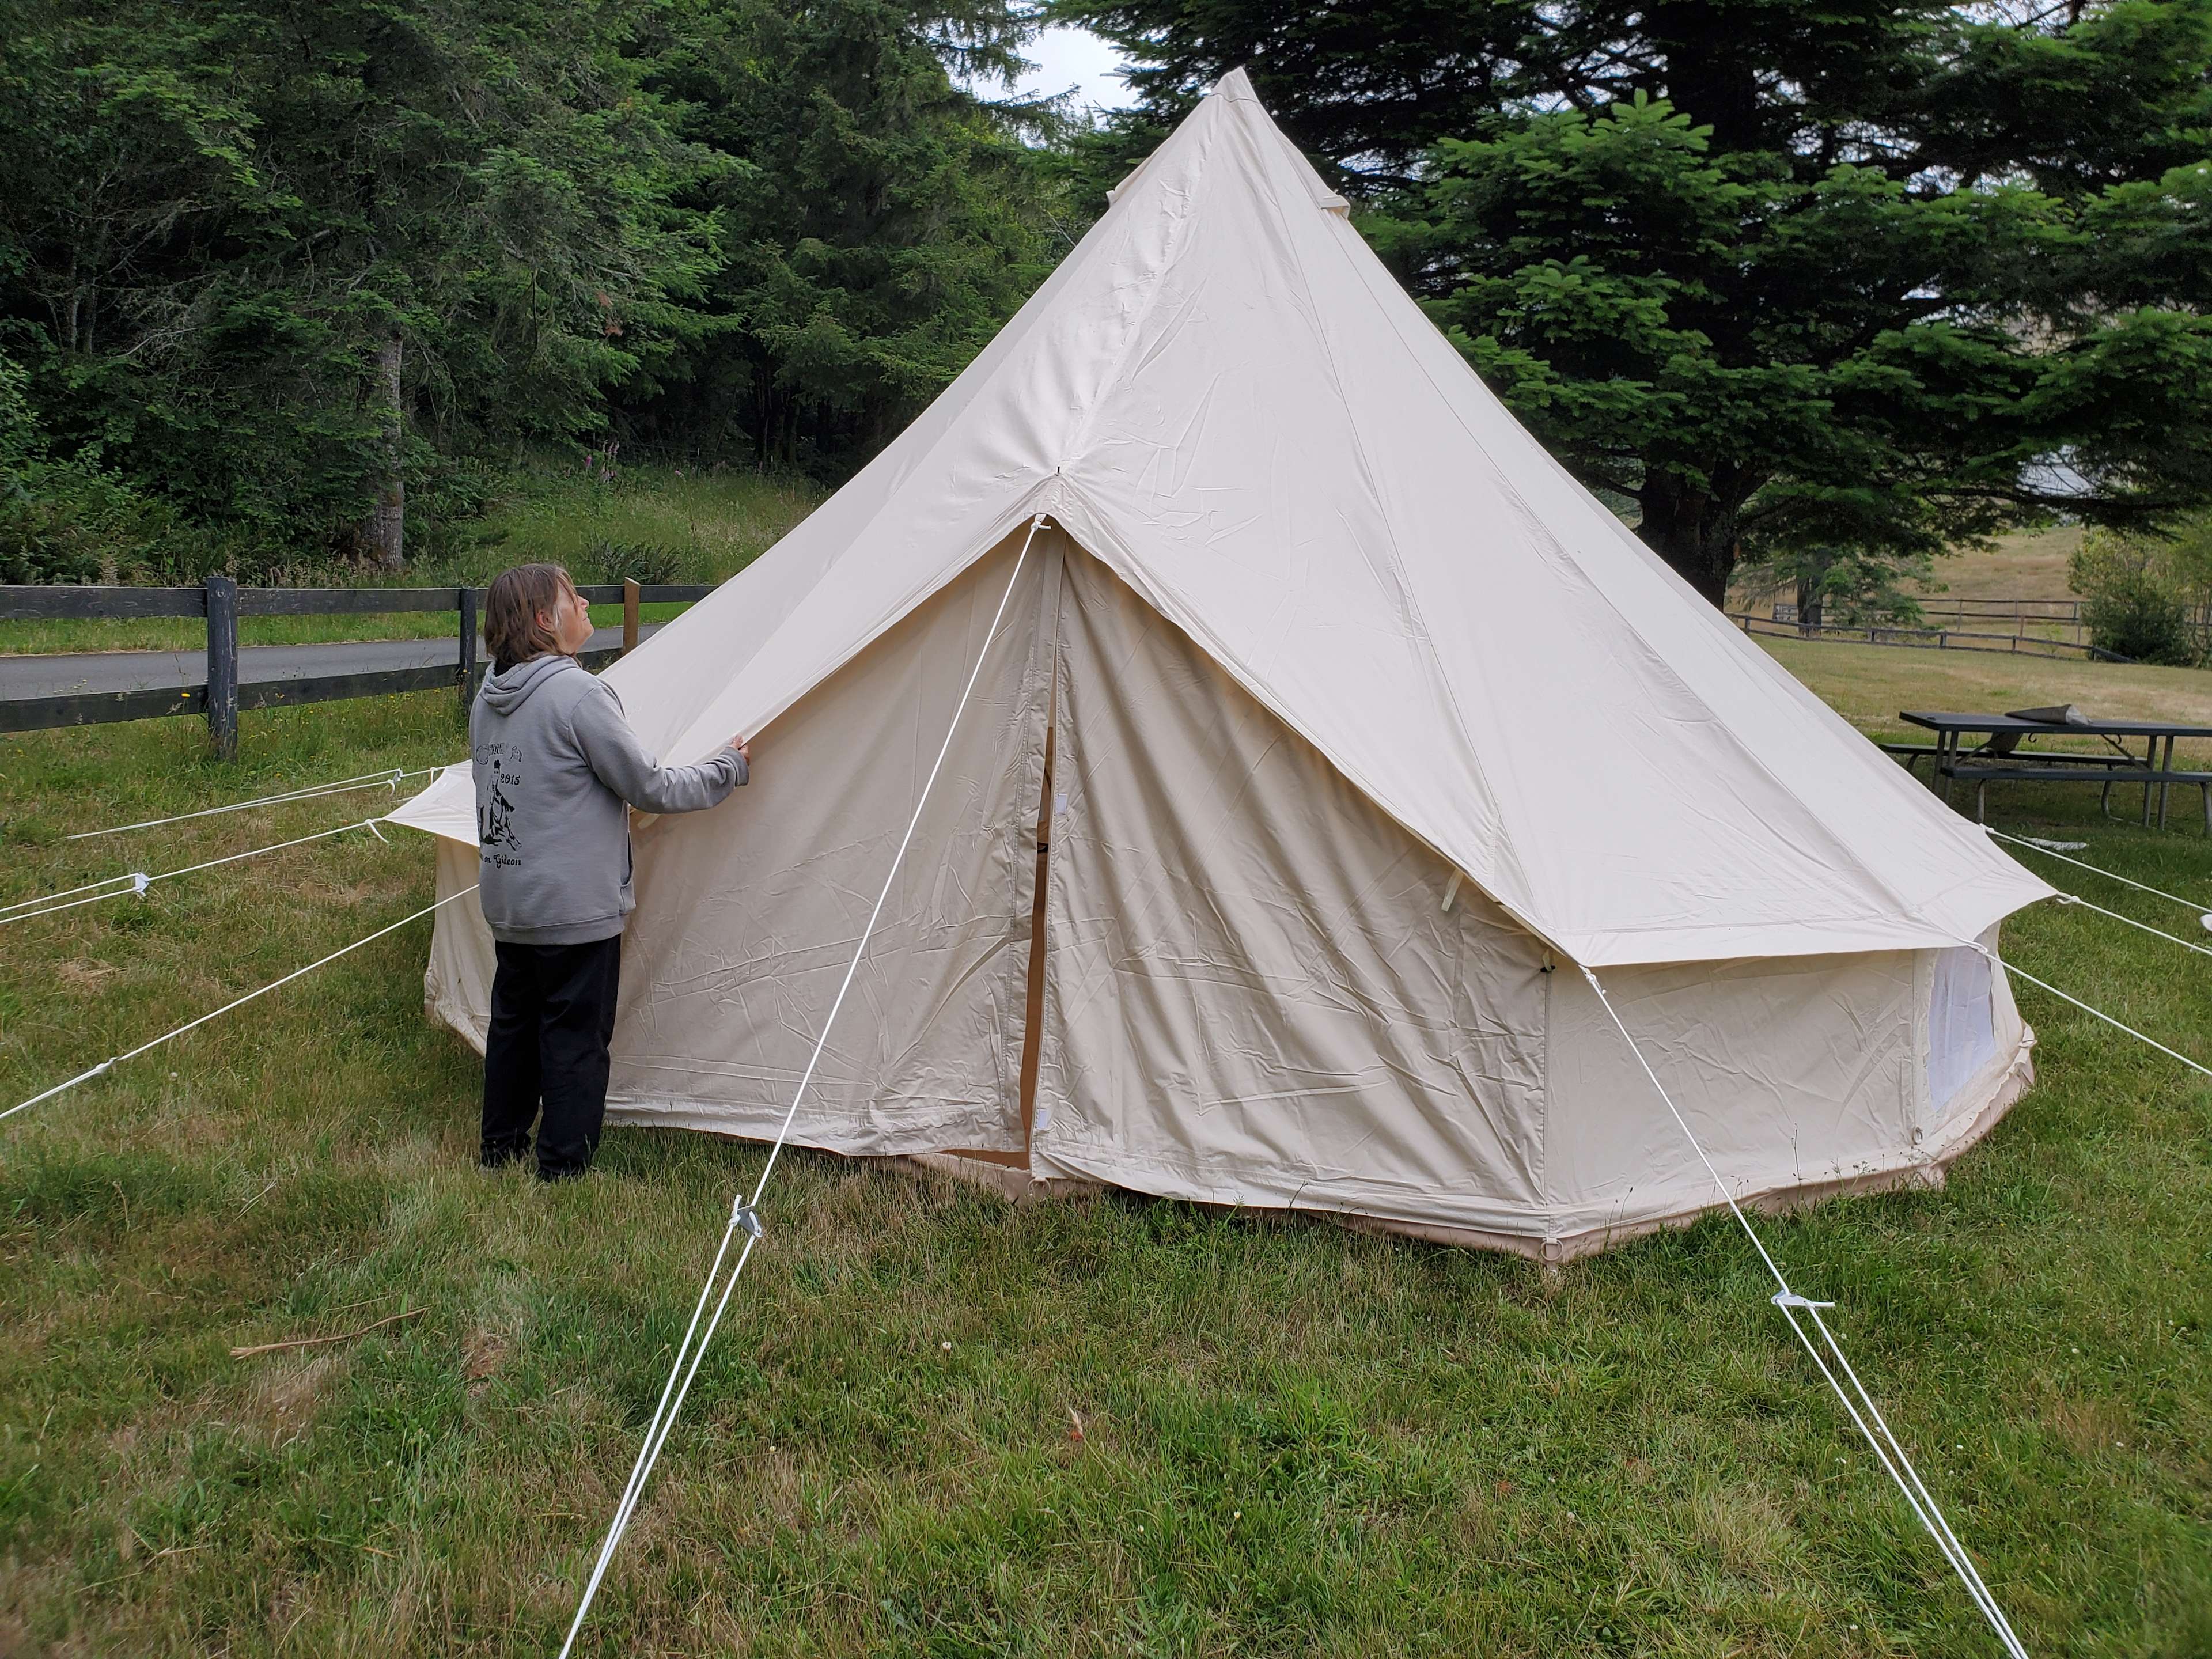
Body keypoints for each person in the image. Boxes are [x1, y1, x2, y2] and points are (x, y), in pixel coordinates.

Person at [470, 562, 748, 1180]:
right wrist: (727, 767)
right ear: (546, 620)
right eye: (575, 599)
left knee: (514, 1030)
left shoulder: (489, 697)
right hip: (573, 909)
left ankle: (500, 1150)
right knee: (573, 1040)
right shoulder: (578, 695)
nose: (588, 606)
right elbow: (648, 786)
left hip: (511, 898)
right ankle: (562, 1167)